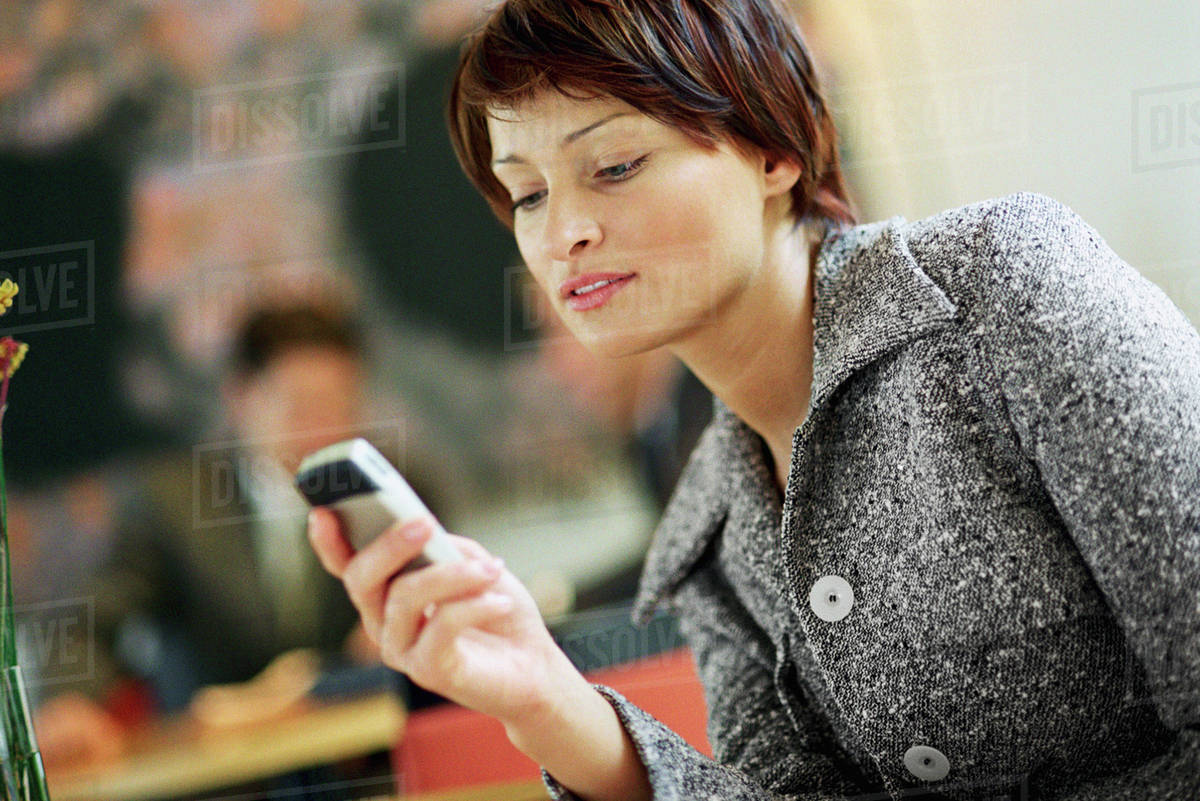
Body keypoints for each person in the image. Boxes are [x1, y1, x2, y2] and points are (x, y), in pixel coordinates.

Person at [308, 0, 1200, 799]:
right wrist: (544, 697)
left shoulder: (999, 286)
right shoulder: (709, 532)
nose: (563, 231)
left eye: (614, 165)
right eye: (528, 193)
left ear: (774, 150)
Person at [34, 303, 427, 767]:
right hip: (214, 765)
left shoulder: (392, 490)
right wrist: (69, 701)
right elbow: (90, 621)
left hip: (359, 753)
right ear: (240, 397)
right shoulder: (174, 503)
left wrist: (400, 624)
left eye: (340, 404)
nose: (324, 426)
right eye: (300, 405)